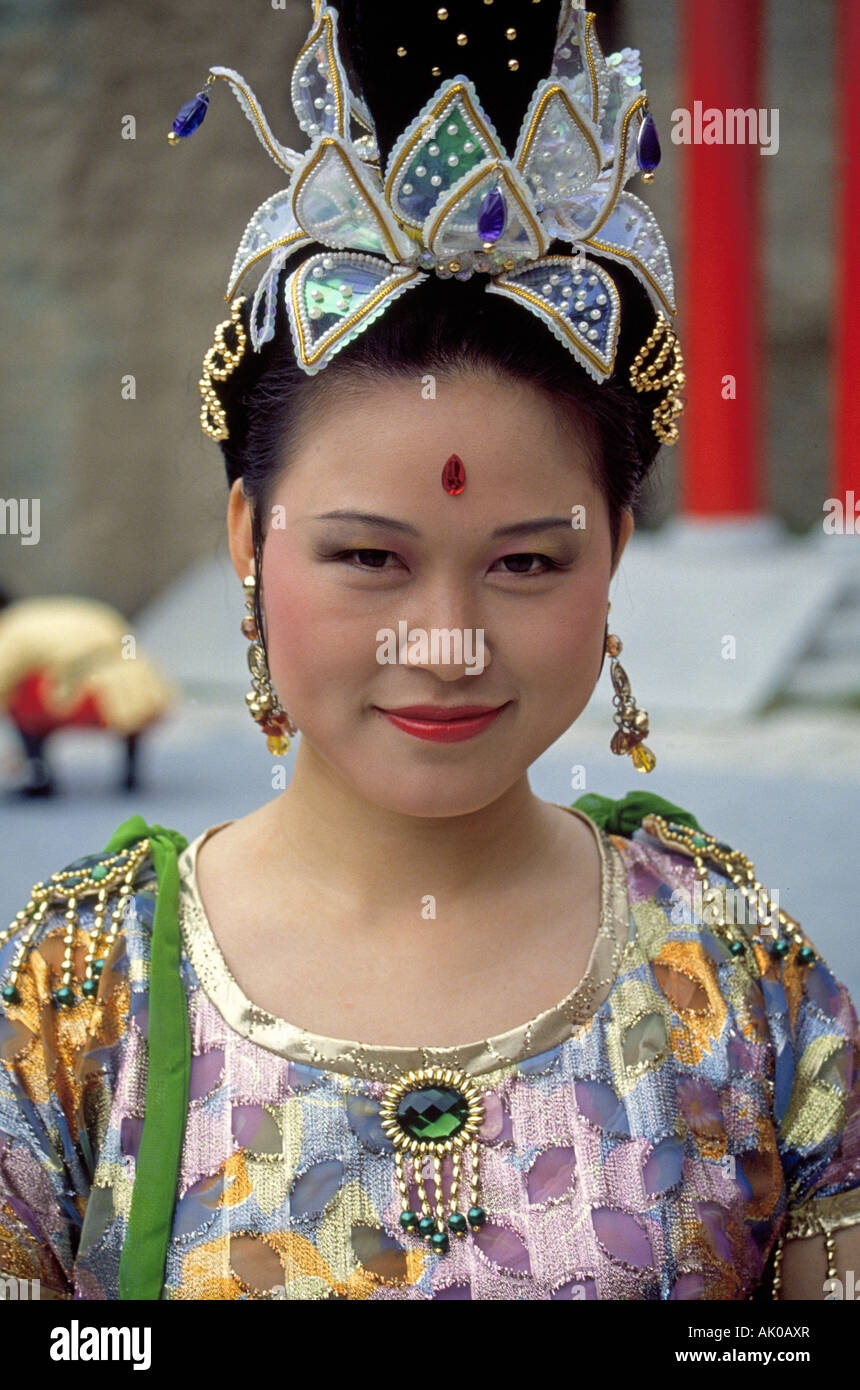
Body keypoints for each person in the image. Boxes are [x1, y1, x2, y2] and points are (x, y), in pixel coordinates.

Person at [1, 0, 858, 1302]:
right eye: (367, 557)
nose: (449, 642)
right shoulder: (74, 996)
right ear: (248, 534)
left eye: (527, 560)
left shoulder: (736, 965)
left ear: (616, 546)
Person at [0, 591, 175, 796]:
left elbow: (3, 673)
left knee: (20, 695)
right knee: (126, 697)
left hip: (84, 698)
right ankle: (131, 774)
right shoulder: (96, 611)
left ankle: (39, 775)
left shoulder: (13, 625)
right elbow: (131, 646)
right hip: (136, 691)